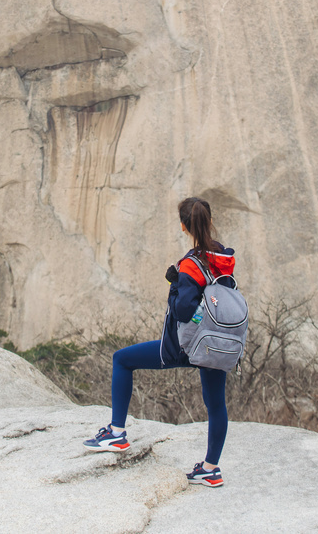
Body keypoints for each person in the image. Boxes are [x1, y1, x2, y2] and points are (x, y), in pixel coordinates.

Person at [83, 197, 236, 488]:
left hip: (186, 345)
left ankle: (116, 433)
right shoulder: (224, 257)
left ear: (183, 226)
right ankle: (211, 469)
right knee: (216, 404)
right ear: (210, 221)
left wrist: (176, 282)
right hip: (216, 342)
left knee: (122, 359)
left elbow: (183, 310)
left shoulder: (192, 264)